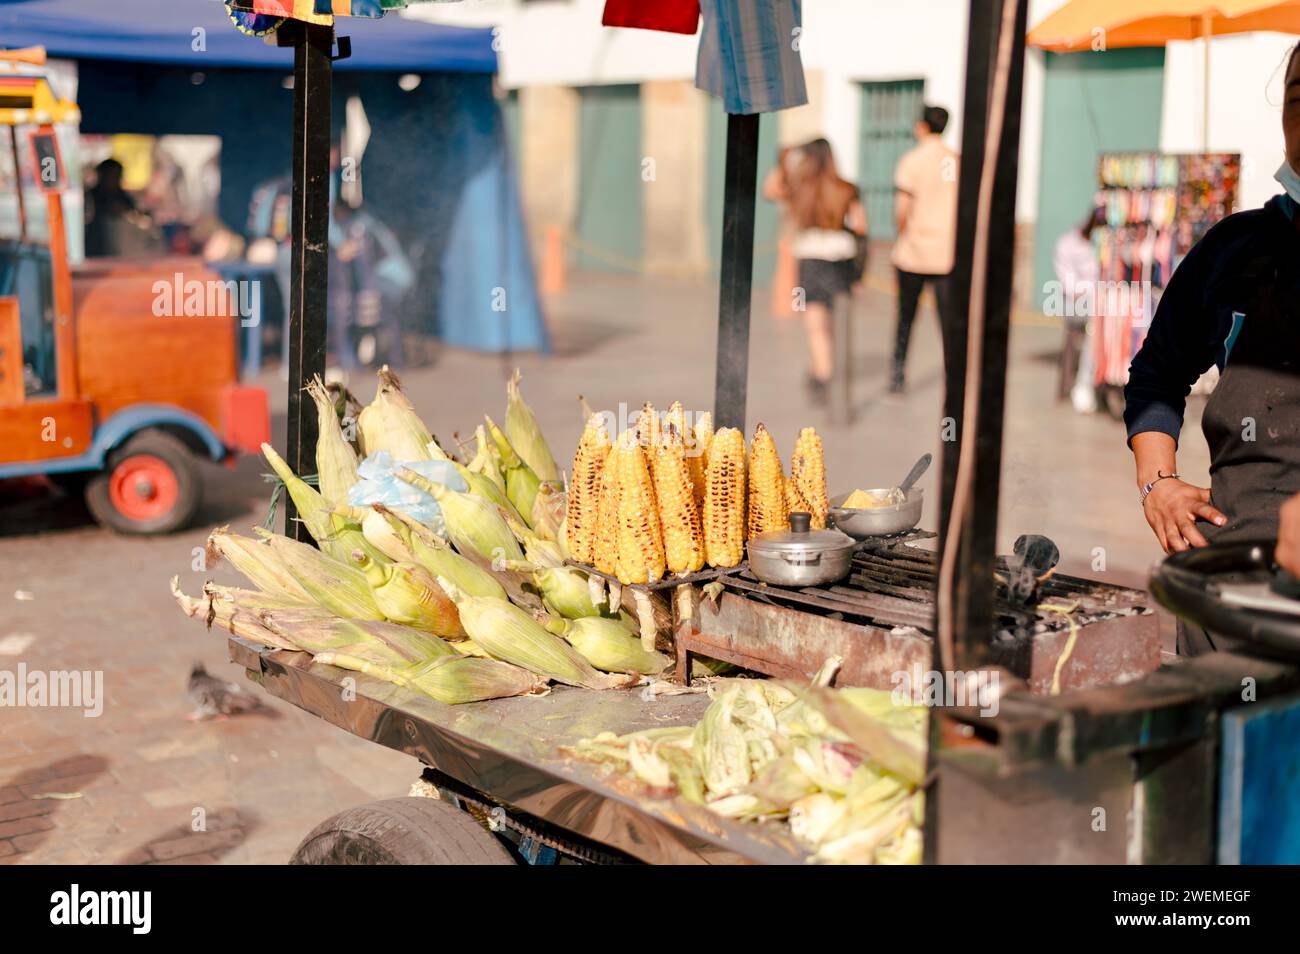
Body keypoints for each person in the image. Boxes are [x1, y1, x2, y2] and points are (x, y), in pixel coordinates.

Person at [1125, 41, 1300, 654]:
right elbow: (1155, 375)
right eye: (1299, 99)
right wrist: (1159, 484)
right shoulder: (1234, 248)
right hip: (1225, 585)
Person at [762, 138, 866, 403]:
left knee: (816, 322)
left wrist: (784, 159)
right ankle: (825, 368)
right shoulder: (847, 188)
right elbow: (861, 225)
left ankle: (823, 373)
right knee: (834, 319)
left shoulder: (802, 186)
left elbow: (770, 190)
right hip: (841, 260)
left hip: (811, 260)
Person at [890, 105, 959, 394]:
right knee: (949, 321)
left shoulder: (913, 160)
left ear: (922, 127)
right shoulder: (956, 161)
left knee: (906, 317)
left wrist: (906, 233)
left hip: (915, 252)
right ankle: (954, 374)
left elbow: (902, 210)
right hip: (948, 254)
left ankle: (898, 374)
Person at [1052, 208, 1101, 412]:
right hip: (1078, 305)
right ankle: (1079, 385)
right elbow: (1070, 285)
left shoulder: (1096, 245)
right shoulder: (1067, 244)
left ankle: (1090, 383)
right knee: (1085, 336)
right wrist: (1092, 290)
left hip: (1096, 303)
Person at [84, 159, 148, 257]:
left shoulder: (125, 198)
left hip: (123, 253)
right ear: (100, 176)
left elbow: (136, 219)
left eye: (115, 176)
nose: (112, 179)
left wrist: (125, 213)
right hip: (95, 252)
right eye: (108, 175)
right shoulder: (89, 197)